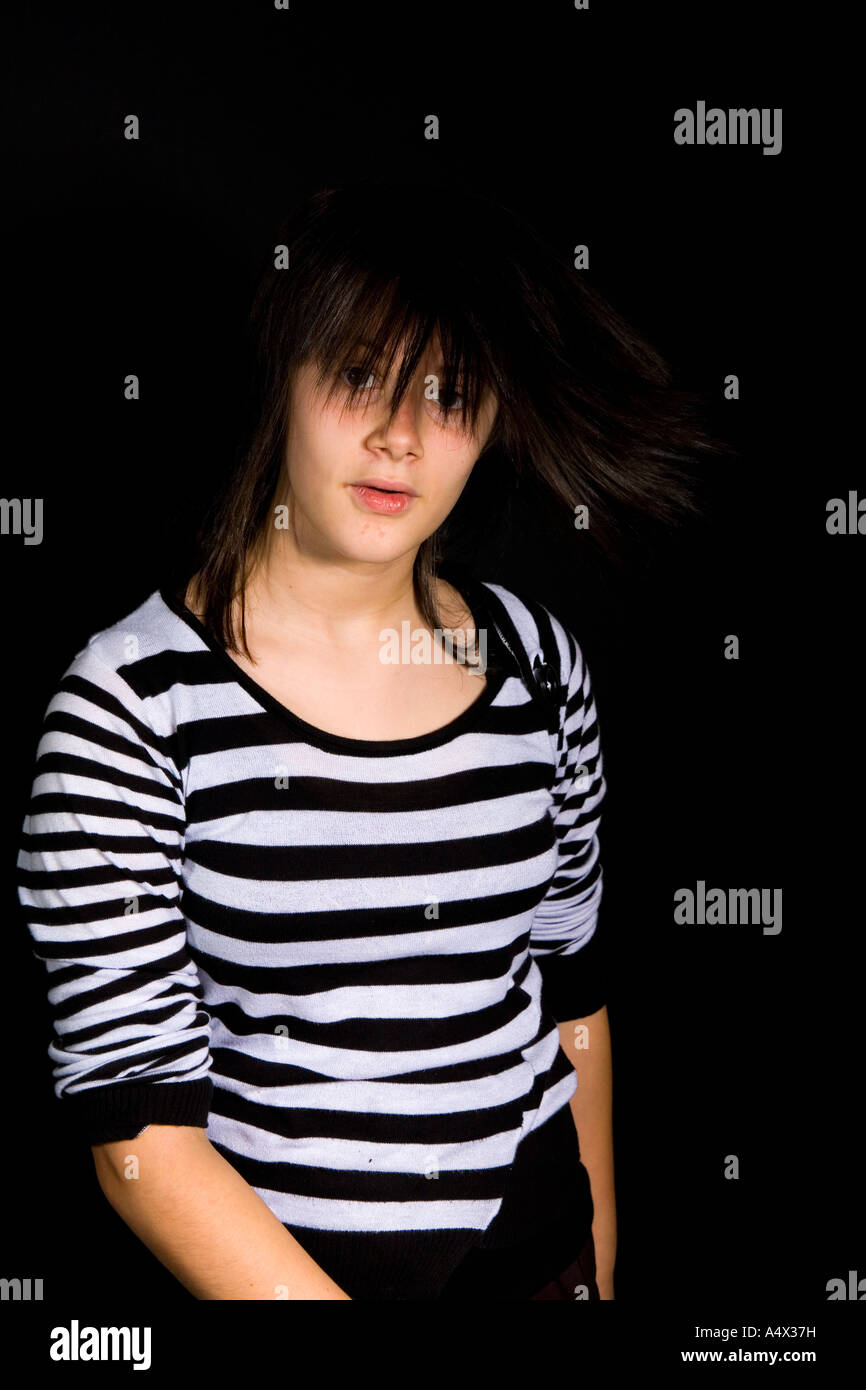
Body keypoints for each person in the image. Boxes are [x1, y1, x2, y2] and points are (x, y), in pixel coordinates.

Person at [16, 175, 721, 1301]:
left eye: (450, 397)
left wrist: (600, 1256)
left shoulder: (540, 665)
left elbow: (572, 990)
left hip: (541, 1255)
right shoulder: (130, 704)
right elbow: (135, 1137)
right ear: (281, 375)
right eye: (358, 378)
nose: (399, 438)